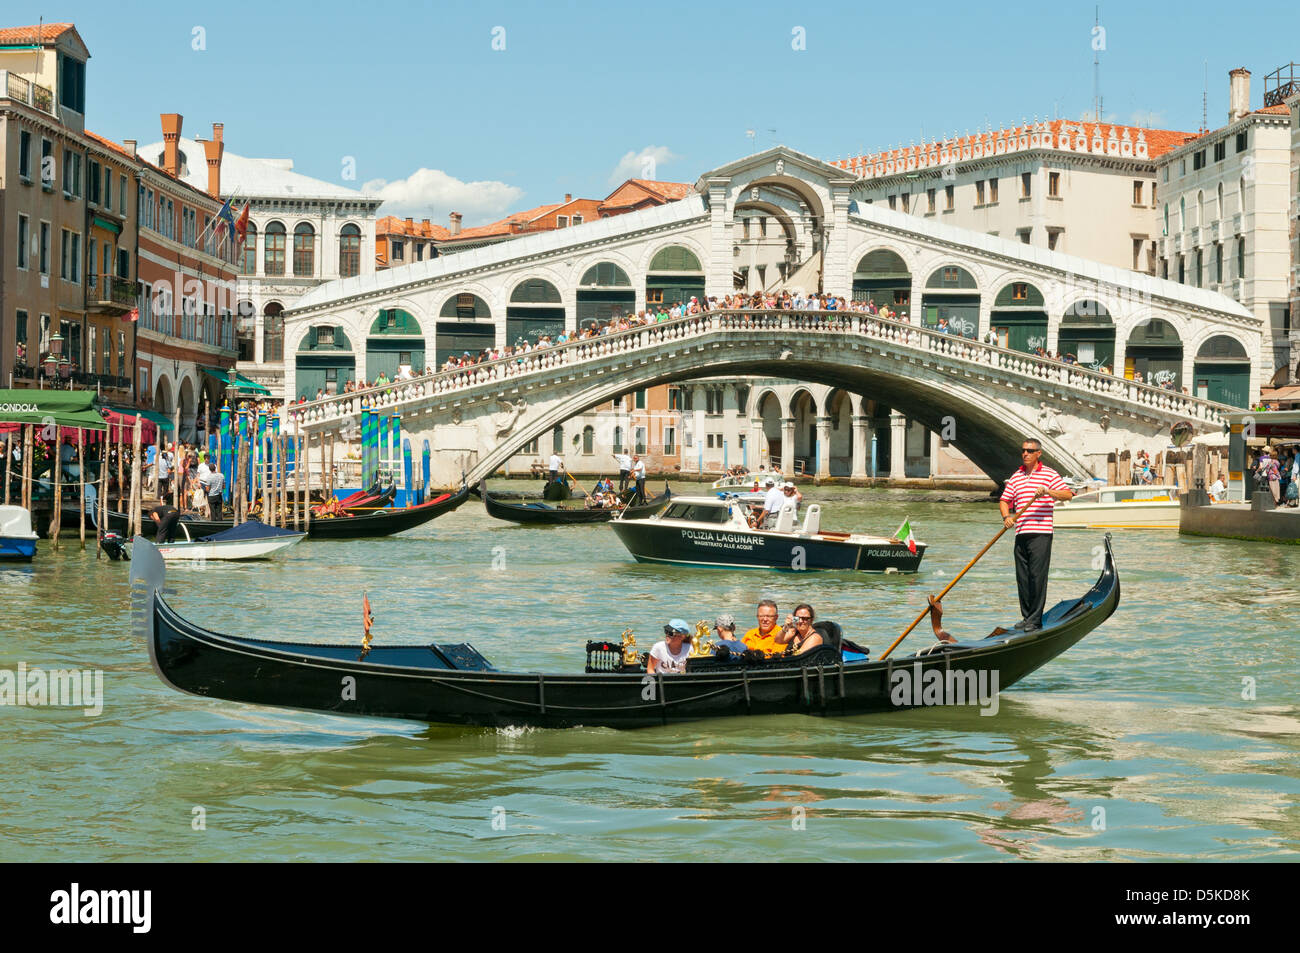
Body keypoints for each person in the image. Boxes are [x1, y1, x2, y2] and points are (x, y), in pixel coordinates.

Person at [999, 438, 1073, 632]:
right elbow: (1004, 500)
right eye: (1023, 450)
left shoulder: (1049, 474)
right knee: (1022, 578)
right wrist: (1006, 516)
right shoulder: (1016, 476)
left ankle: (1035, 619)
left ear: (1038, 453)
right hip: (1021, 532)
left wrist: (1048, 491)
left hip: (1041, 534)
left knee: (1037, 577)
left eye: (1030, 451)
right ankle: (1026, 617)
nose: (1025, 454)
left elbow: (1068, 494)